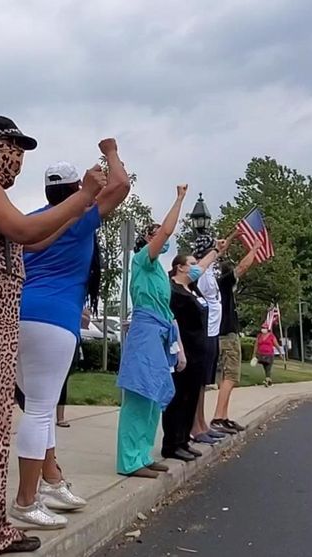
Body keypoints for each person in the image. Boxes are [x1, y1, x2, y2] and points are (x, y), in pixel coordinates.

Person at [0, 116, 106, 557]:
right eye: (10, 145)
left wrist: (73, 216)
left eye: (20, 148)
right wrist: (84, 195)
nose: (17, 156)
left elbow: (35, 242)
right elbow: (24, 230)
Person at [9, 142, 130, 531]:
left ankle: (51, 480)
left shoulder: (32, 220)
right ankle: (27, 501)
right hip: (55, 319)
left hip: (18, 315)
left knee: (35, 408)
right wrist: (110, 152)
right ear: (76, 188)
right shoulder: (81, 216)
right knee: (42, 410)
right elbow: (122, 185)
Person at [115, 185, 188, 479]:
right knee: (139, 394)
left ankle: (143, 454)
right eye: (156, 233)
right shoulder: (143, 260)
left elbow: (195, 272)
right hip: (145, 333)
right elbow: (167, 232)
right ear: (148, 239)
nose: (162, 236)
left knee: (153, 396)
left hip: (158, 334)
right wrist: (179, 199)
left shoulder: (158, 270)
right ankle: (129, 460)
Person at [161, 254, 211, 462]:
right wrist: (179, 350)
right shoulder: (174, 291)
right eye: (191, 264)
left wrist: (217, 251)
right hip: (184, 351)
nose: (195, 268)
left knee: (191, 396)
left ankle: (184, 440)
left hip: (200, 351)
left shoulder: (193, 289)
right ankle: (171, 443)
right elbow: (172, 322)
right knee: (178, 397)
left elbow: (205, 266)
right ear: (180, 268)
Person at [210, 251, 257, 433]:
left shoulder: (216, 288)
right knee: (230, 376)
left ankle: (223, 415)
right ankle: (218, 418)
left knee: (224, 377)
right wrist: (254, 249)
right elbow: (242, 267)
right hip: (228, 336)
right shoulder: (224, 284)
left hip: (219, 336)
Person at [190, 239, 230, 447]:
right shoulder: (201, 273)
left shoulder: (210, 272)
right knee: (198, 383)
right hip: (205, 332)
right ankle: (195, 426)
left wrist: (221, 247)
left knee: (204, 382)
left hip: (213, 332)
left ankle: (202, 423)